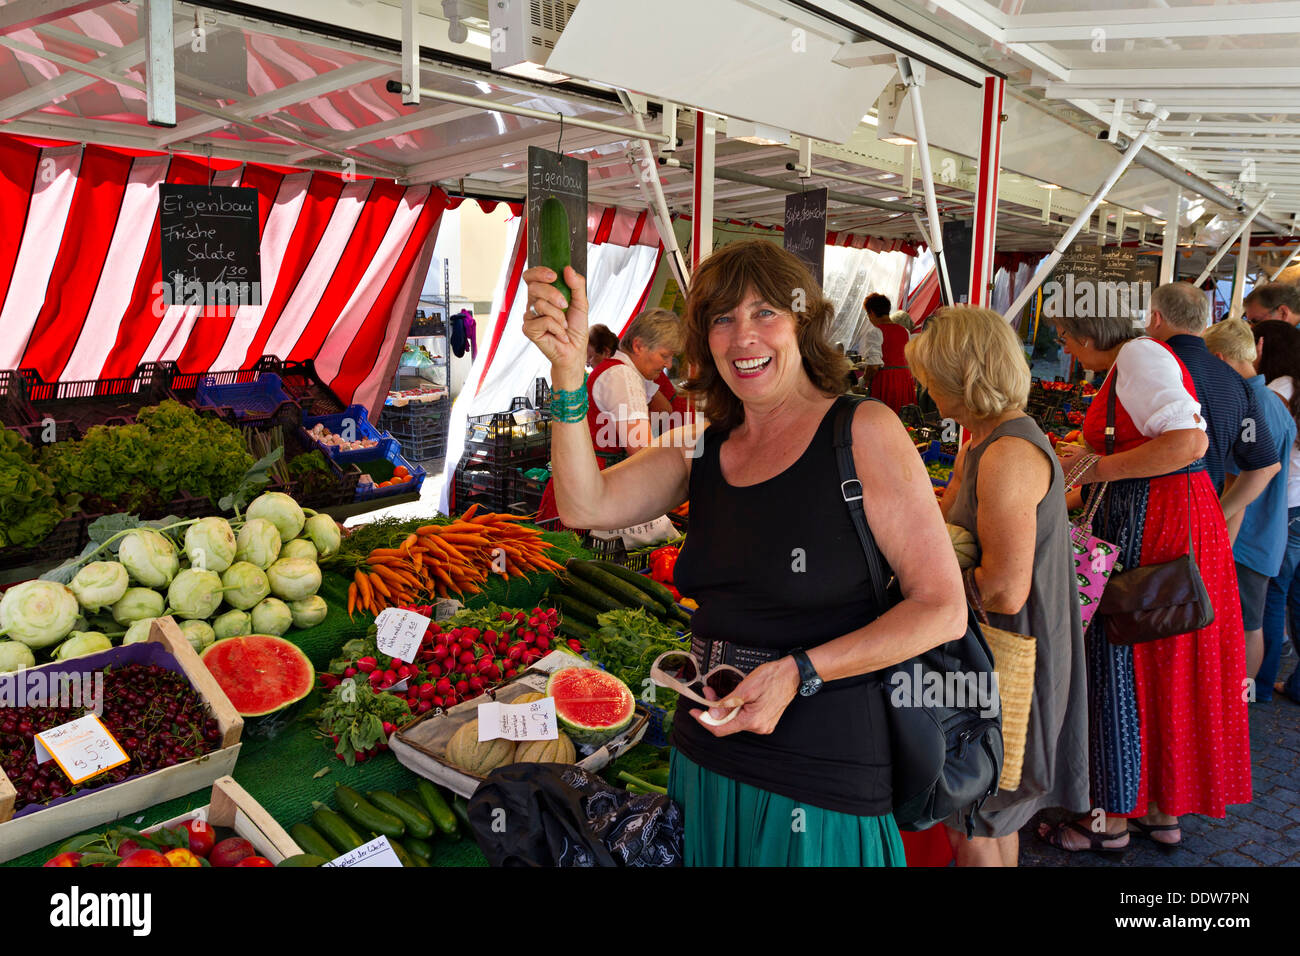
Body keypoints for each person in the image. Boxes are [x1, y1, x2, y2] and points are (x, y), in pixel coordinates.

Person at [521, 239, 967, 866]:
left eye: (765, 314)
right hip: (708, 752)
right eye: (722, 319)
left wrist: (799, 672)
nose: (742, 337)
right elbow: (585, 506)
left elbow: (942, 608)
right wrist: (570, 379)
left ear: (804, 323)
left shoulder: (861, 431)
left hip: (823, 765)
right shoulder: (702, 443)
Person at [1041, 305, 1251, 851]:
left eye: (1067, 336)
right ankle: (1159, 810)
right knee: (1163, 664)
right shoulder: (1139, 359)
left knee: (1124, 659)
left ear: (1090, 332)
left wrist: (1094, 466)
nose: (1067, 349)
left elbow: (1188, 443)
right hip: (1165, 519)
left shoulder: (1137, 354)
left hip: (1155, 524)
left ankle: (1109, 819)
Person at [906, 307, 1090, 867]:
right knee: (992, 807)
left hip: (1008, 652)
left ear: (963, 376)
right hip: (991, 652)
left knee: (977, 818)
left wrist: (925, 581)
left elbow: (1007, 590)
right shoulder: (980, 439)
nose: (926, 389)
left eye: (932, 378)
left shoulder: (1009, 453)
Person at [1202, 319, 1295, 701]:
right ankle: (1242, 699)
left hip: (1247, 539)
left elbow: (1241, 483)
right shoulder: (1275, 401)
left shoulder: (1249, 404)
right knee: (1249, 622)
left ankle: (1237, 701)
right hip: (1268, 533)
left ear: (1221, 359)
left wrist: (1216, 530)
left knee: (1245, 624)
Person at [534, 309, 682, 525]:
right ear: (639, 346)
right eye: (664, 355)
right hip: (591, 487)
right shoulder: (622, 376)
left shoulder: (621, 371)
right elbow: (642, 450)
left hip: (588, 483)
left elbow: (664, 412)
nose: (668, 364)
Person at [1146, 282, 1280, 512]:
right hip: (1200, 519)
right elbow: (1265, 467)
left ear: (1156, 319)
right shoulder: (1239, 385)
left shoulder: (1148, 368)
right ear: (1205, 322)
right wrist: (1219, 514)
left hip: (1143, 515)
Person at [1250, 320, 1300, 704]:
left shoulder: (1278, 392)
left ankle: (1258, 686)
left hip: (1285, 503)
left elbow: (1262, 458)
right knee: (1288, 598)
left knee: (1270, 596)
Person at [865, 293, 916, 414]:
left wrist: (864, 379)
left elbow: (874, 366)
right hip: (904, 382)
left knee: (882, 418)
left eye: (868, 314)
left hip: (885, 383)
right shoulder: (905, 331)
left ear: (871, 312)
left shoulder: (875, 332)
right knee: (903, 419)